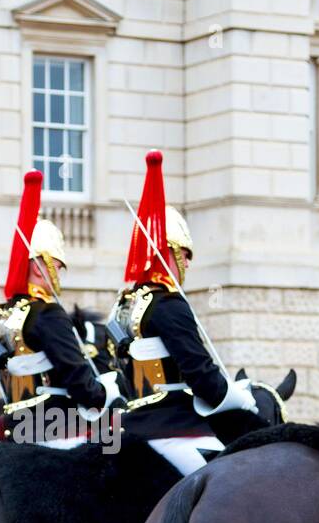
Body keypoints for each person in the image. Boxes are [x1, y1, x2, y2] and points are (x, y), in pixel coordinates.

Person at [108, 151, 257, 475]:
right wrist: (238, 398)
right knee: (237, 478)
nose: (188, 263)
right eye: (184, 254)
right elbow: (201, 375)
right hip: (172, 429)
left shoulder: (123, 306)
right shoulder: (168, 304)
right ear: (167, 253)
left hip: (127, 428)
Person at [0, 170, 120, 447]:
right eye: (56, 266)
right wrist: (106, 394)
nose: (59, 273)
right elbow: (77, 379)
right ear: (38, 265)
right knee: (115, 448)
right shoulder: (47, 313)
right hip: (55, 428)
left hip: (12, 427)